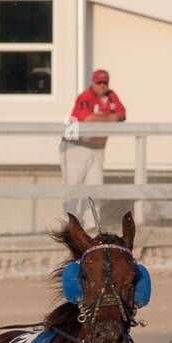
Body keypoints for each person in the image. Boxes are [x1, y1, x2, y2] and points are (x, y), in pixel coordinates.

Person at [60, 69, 126, 226]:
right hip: (75, 147)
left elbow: (122, 114)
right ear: (93, 83)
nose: (102, 85)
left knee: (95, 188)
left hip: (97, 149)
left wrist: (107, 118)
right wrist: (111, 118)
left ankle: (92, 227)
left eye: (105, 82)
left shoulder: (111, 95)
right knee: (73, 188)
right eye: (99, 82)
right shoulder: (85, 97)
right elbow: (87, 119)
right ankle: (70, 227)